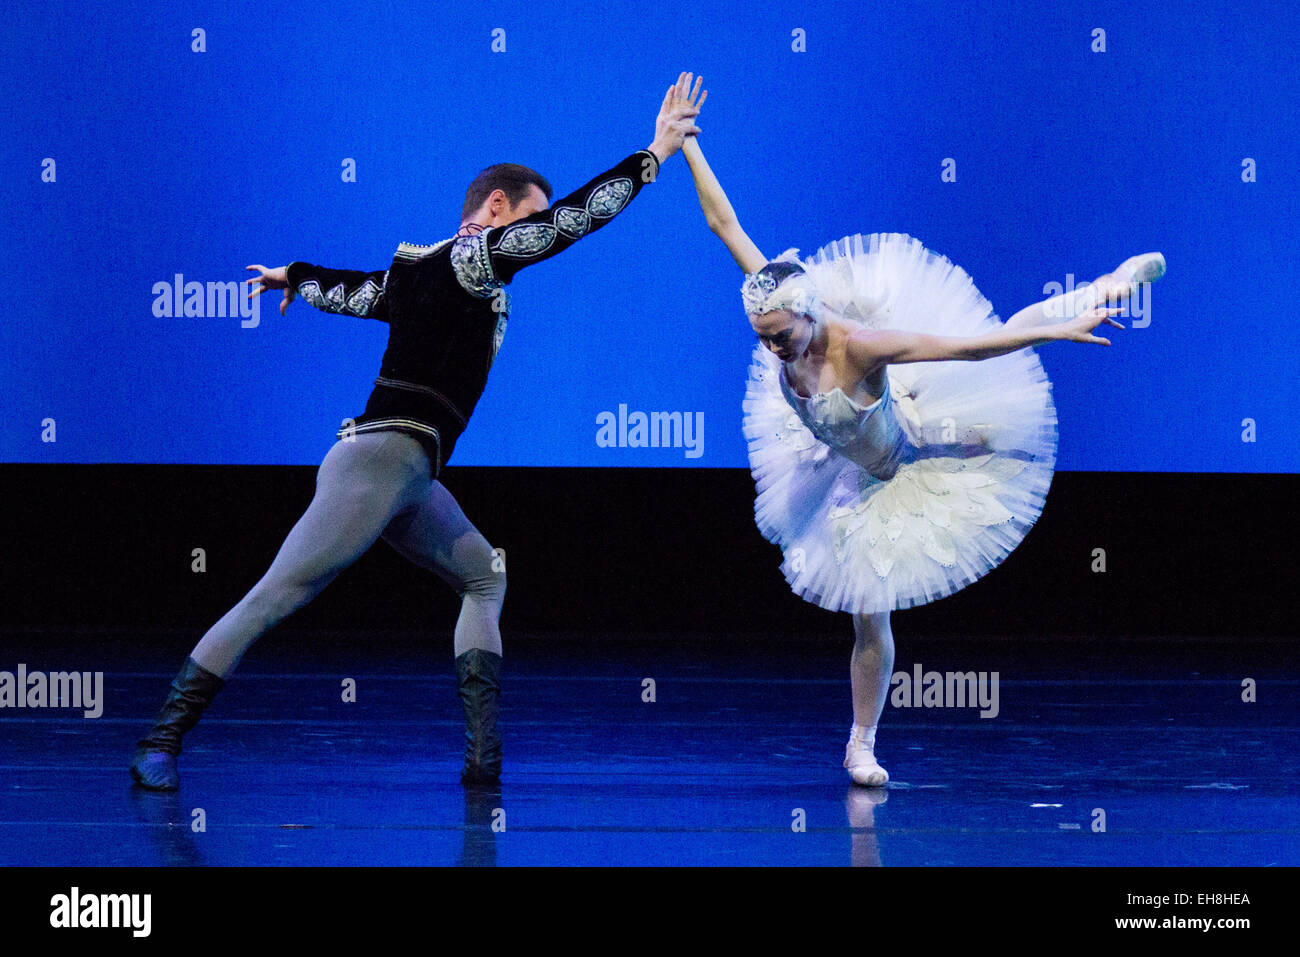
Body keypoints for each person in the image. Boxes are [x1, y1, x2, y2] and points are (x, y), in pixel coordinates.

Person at [129, 72, 706, 791]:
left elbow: (358, 291)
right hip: (377, 462)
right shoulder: (468, 259)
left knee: (483, 575)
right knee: (274, 596)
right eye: (525, 215)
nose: (532, 228)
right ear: (497, 210)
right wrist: (652, 155)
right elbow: (569, 224)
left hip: (413, 474)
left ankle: (482, 759)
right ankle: (162, 739)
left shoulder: (428, 270)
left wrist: (295, 278)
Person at [678, 76, 1165, 786]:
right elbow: (726, 226)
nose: (774, 350)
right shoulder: (776, 306)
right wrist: (686, 144)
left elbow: (964, 350)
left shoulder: (861, 346)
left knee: (998, 341)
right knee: (865, 618)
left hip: (910, 441)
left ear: (809, 312)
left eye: (782, 336)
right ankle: (860, 745)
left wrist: (1063, 333)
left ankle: (1104, 289)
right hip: (841, 469)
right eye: (764, 341)